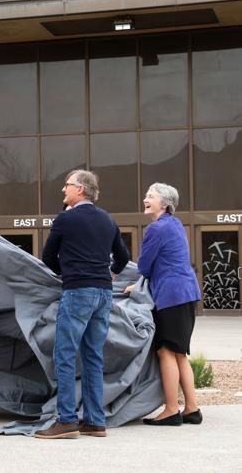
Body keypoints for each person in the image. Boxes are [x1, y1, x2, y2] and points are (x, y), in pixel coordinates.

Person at [36, 170, 129, 439]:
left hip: (77, 291)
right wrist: (110, 272)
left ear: (80, 189)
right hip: (103, 293)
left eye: (67, 185)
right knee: (93, 356)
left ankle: (66, 420)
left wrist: (69, 273)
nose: (63, 190)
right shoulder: (107, 219)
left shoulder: (65, 219)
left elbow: (48, 258)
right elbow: (123, 258)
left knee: (65, 354)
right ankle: (95, 421)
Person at [125, 183, 202, 426]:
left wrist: (137, 284)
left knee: (166, 351)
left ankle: (171, 409)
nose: (145, 199)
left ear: (165, 204)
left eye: (151, 196)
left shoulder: (156, 228)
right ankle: (191, 408)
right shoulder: (175, 224)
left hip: (171, 295)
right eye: (146, 194)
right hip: (186, 292)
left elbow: (144, 266)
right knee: (179, 353)